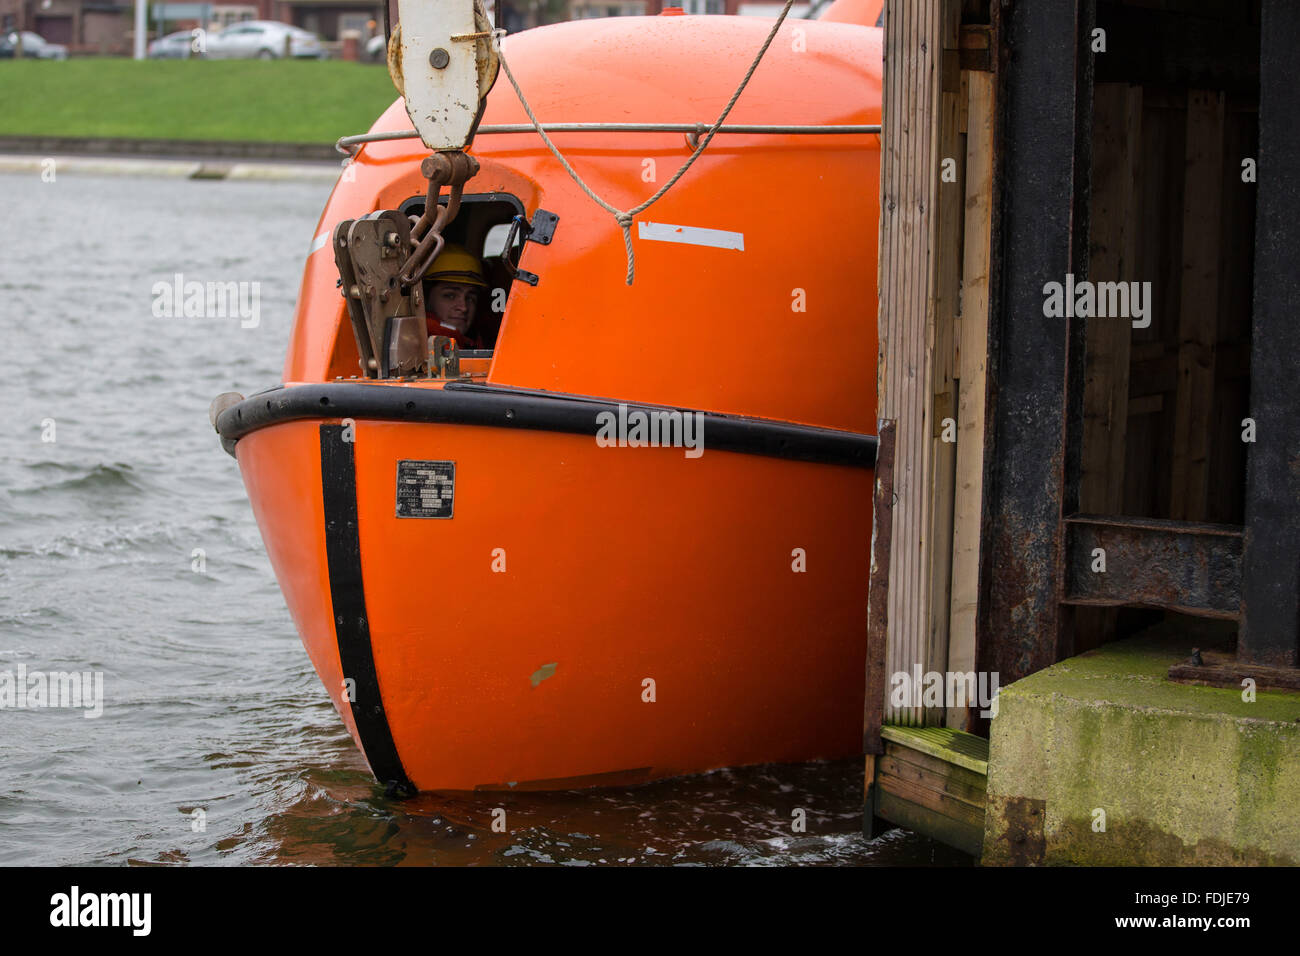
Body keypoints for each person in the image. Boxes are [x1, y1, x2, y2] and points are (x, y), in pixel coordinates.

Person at [422, 243, 487, 349]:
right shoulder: (416, 342)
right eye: (450, 296)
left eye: (470, 298)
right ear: (425, 297)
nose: (464, 308)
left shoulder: (474, 338)